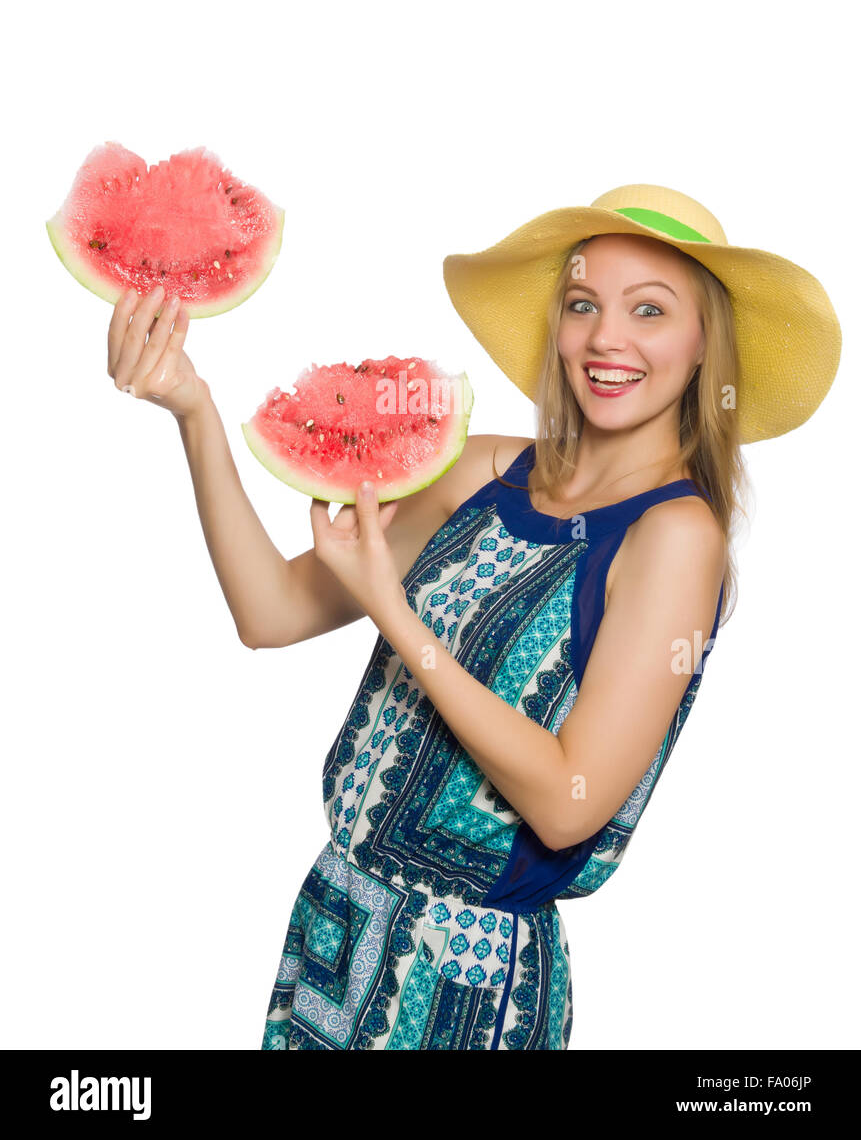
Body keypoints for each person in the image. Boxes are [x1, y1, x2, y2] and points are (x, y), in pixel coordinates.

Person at [107, 182, 841, 1050]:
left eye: (649, 310)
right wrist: (193, 411)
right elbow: (269, 612)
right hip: (335, 924)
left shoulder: (675, 535)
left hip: (465, 982)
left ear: (701, 348)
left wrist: (394, 611)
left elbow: (570, 804)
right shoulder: (481, 469)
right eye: (582, 304)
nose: (606, 336)